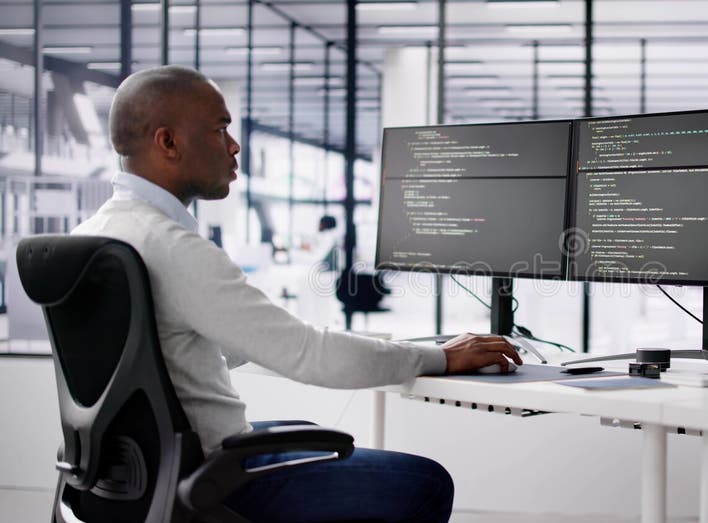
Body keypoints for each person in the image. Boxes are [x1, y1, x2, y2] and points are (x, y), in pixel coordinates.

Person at [72, 65, 522, 523]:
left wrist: (281, 340)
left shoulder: (94, 235)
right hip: (210, 477)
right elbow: (312, 356)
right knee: (426, 484)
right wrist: (442, 356)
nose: (234, 144)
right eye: (220, 128)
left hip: (132, 475)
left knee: (305, 433)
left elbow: (170, 355)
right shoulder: (173, 247)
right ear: (168, 142)